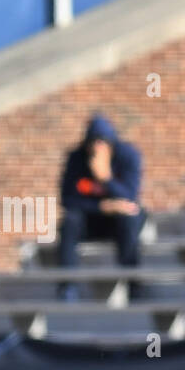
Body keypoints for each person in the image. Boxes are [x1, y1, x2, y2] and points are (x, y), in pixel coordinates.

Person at [58, 115, 144, 300]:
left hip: (118, 222)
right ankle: (67, 286)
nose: (97, 148)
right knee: (70, 221)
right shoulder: (77, 158)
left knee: (130, 217)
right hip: (91, 219)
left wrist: (106, 178)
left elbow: (130, 197)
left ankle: (133, 284)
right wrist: (101, 207)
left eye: (102, 142)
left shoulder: (127, 155)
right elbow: (68, 200)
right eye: (93, 143)